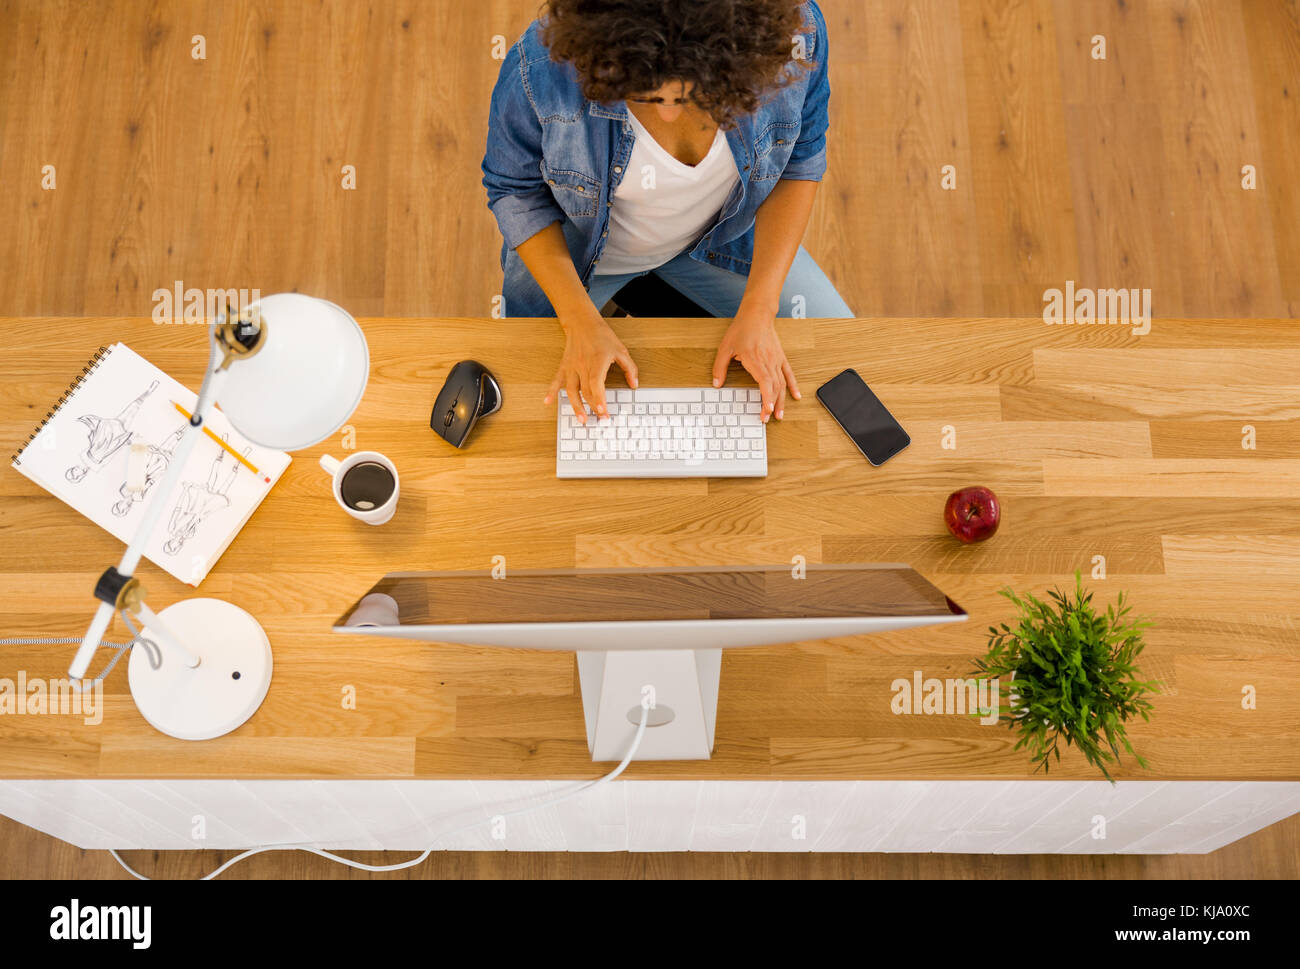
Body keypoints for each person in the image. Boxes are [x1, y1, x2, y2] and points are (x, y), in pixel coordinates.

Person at [482, 0, 850, 427]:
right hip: (582, 259)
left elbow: (801, 160)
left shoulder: (795, 38)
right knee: (529, 416)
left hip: (721, 240)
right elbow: (515, 191)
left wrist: (759, 310)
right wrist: (578, 320)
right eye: (644, 94)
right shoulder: (543, 66)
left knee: (839, 350)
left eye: (695, 94)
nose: (668, 113)